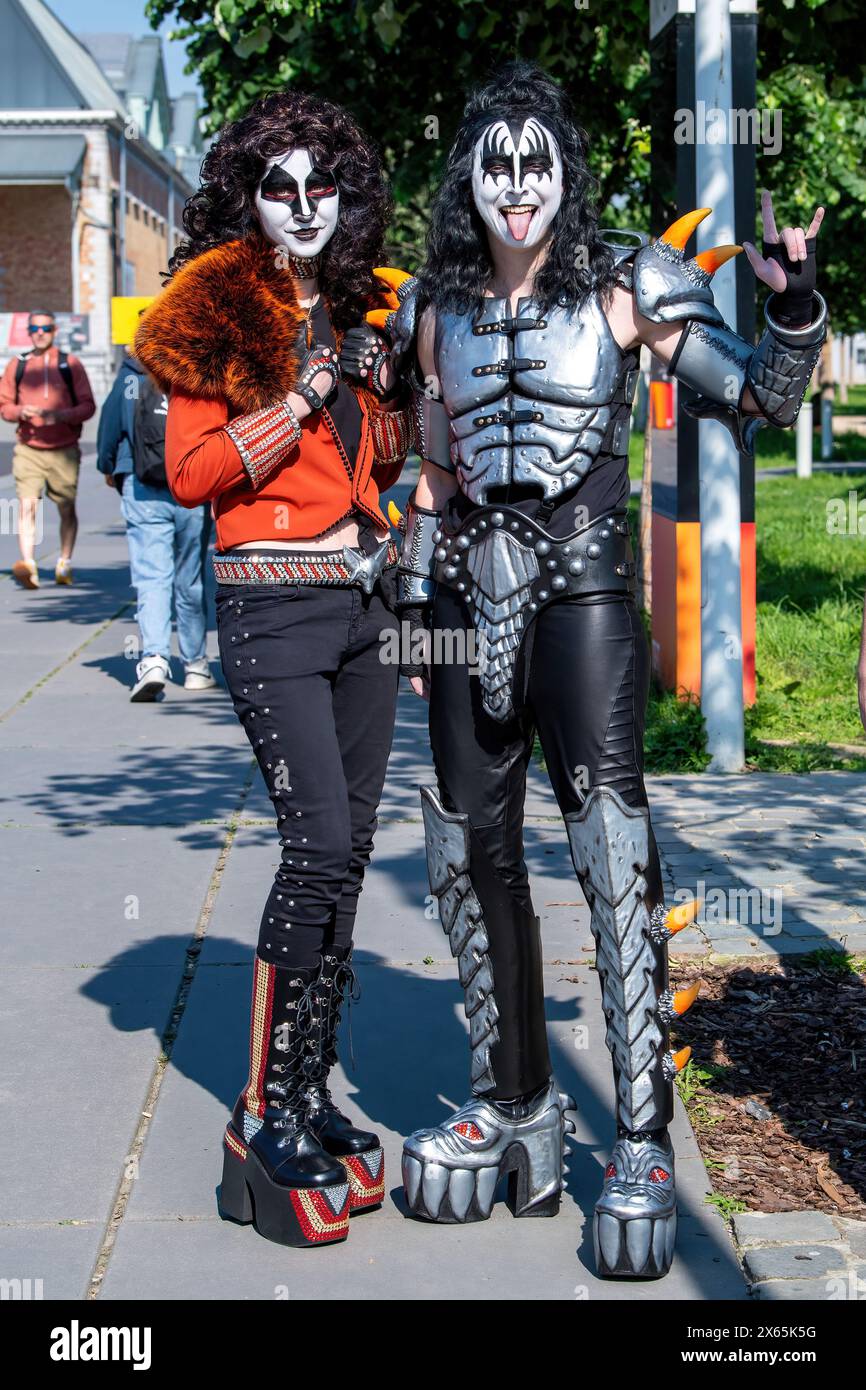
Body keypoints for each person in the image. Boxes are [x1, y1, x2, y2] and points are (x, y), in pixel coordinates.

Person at [391, 62, 826, 1277]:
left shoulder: (628, 286)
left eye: (538, 162)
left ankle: (637, 1136)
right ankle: (514, 1100)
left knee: (609, 850)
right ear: (468, 174)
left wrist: (793, 311)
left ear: (562, 171)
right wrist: (411, 631)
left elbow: (756, 392)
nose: (518, 186)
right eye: (497, 162)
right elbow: (428, 478)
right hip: (462, 599)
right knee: (467, 855)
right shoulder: (433, 309)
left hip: (583, 595)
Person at [134, 89, 413, 1247]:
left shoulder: (369, 298)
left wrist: (376, 388)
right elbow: (193, 473)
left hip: (365, 603)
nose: (302, 208)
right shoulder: (211, 303)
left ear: (346, 191)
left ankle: (308, 1092)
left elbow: (385, 453)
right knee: (317, 850)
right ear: (246, 193)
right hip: (269, 612)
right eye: (277, 186)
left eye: (322, 185)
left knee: (346, 861)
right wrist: (303, 389)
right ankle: (256, 1118)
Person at [97, 351, 215, 701]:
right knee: (190, 577)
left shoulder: (132, 377)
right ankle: (196, 666)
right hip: (191, 489)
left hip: (141, 484)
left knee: (152, 576)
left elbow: (110, 427)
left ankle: (153, 660)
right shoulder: (195, 371)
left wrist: (109, 466)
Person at [0, 311, 95, 588]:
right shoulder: (16, 366)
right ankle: (28, 564)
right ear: (29, 332)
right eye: (35, 328)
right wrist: (20, 410)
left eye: (46, 328)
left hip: (63, 449)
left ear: (54, 331)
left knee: (66, 508)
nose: (40, 332)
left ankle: (64, 561)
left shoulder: (70, 364)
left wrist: (61, 416)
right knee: (27, 506)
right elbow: (3, 406)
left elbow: (88, 406)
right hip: (28, 447)